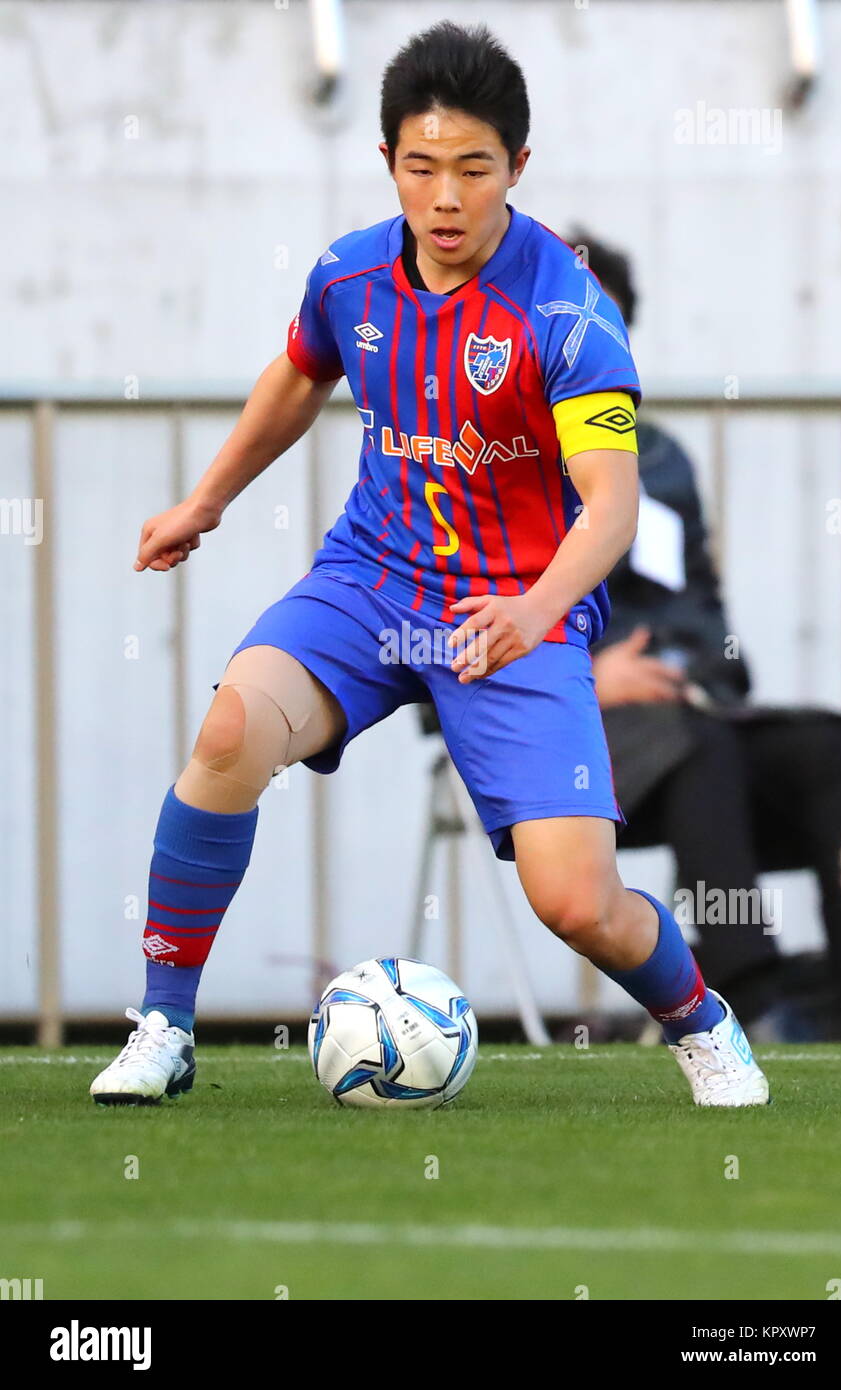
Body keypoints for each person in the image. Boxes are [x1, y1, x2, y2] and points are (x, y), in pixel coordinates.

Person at [90, 21, 768, 1108]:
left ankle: (701, 1019)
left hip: (518, 604)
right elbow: (297, 374)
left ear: (517, 168)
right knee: (227, 732)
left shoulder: (567, 314)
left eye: (472, 168)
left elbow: (610, 506)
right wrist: (204, 501)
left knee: (577, 904)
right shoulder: (349, 275)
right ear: (388, 165)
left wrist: (533, 610)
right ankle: (163, 1026)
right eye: (421, 167)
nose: (445, 196)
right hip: (371, 583)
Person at [568, 231, 841, 1039]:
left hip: (691, 714)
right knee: (700, 748)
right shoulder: (483, 456)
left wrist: (696, 672)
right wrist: (587, 679)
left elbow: (708, 614)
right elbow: (448, 642)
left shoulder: (660, 462)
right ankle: (747, 1001)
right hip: (562, 732)